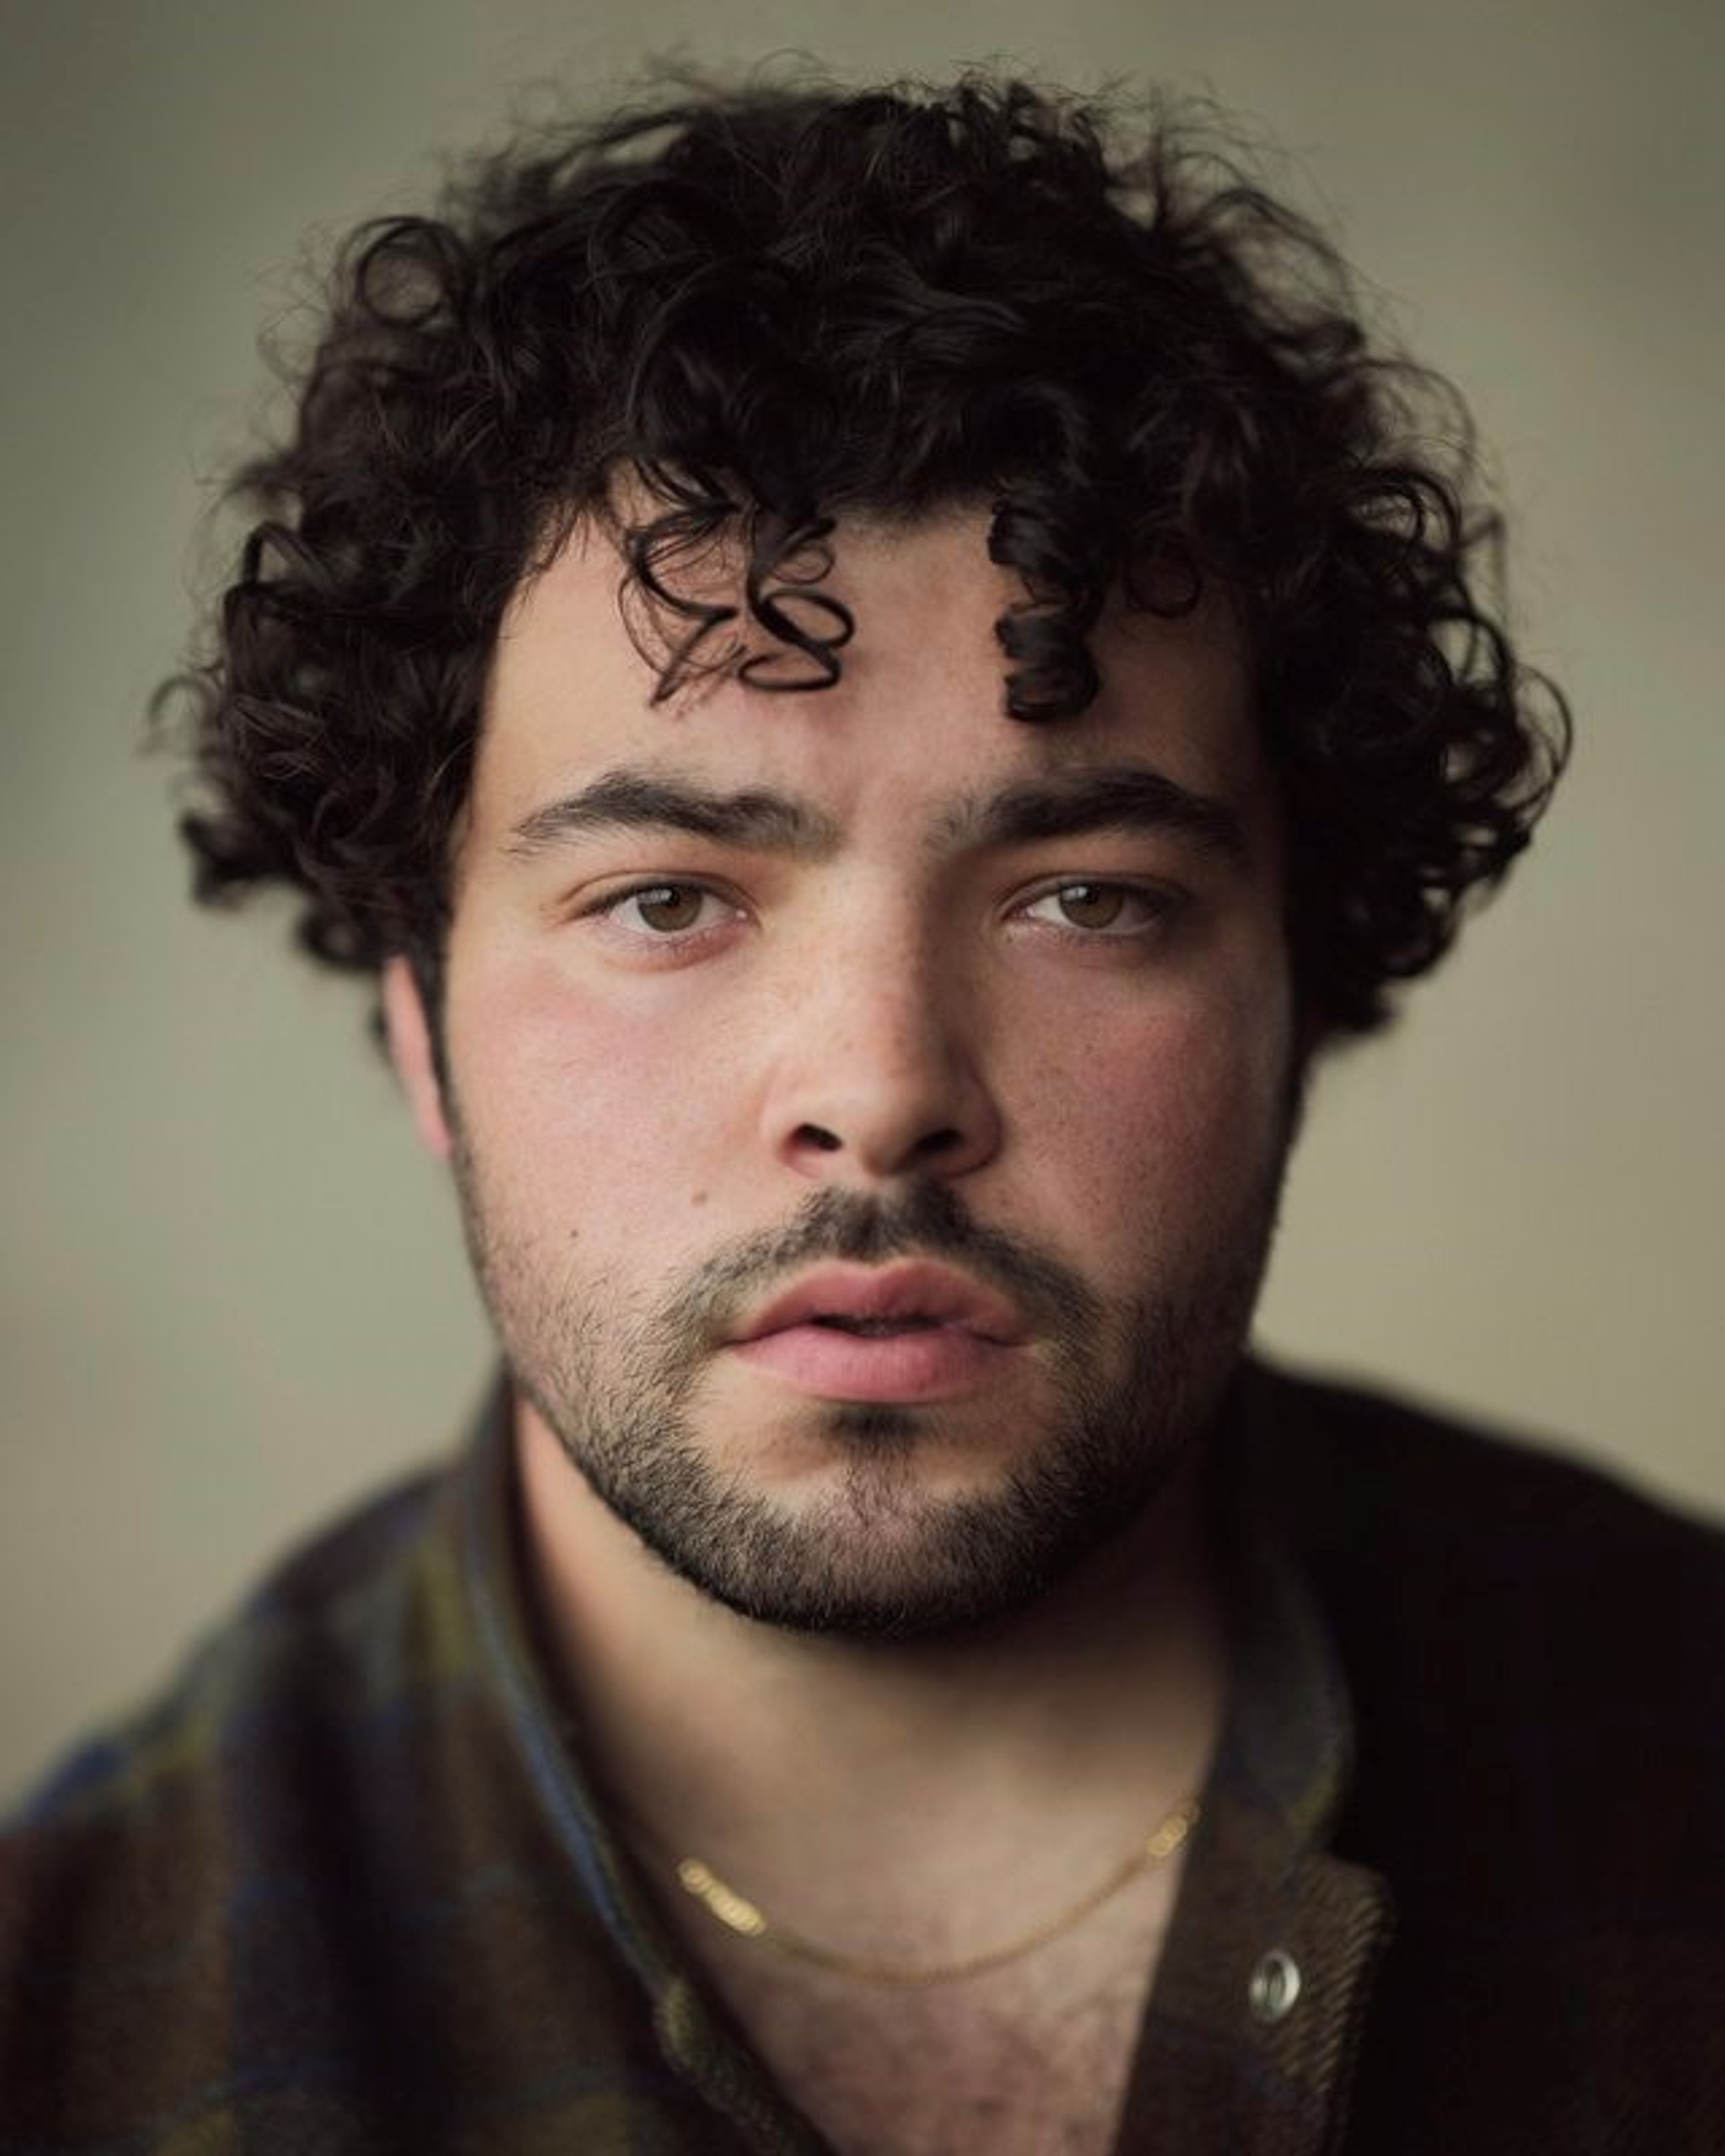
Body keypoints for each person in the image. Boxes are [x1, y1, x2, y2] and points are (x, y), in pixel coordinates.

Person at [1, 70, 1718, 2156]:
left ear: (1302, 986)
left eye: (1085, 897)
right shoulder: (74, 2025)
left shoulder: (1675, 1762)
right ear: (421, 1025)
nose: (881, 1090)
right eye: (664, 899)